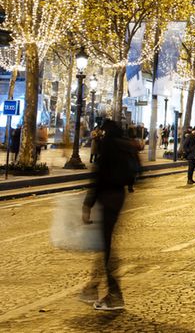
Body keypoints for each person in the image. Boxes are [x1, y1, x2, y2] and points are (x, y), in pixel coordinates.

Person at [79, 119, 137, 311]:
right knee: (104, 243)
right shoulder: (126, 145)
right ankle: (93, 286)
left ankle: (114, 294)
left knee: (106, 247)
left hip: (107, 196)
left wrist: (88, 204)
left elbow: (98, 178)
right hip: (119, 196)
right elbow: (136, 171)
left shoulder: (109, 147)